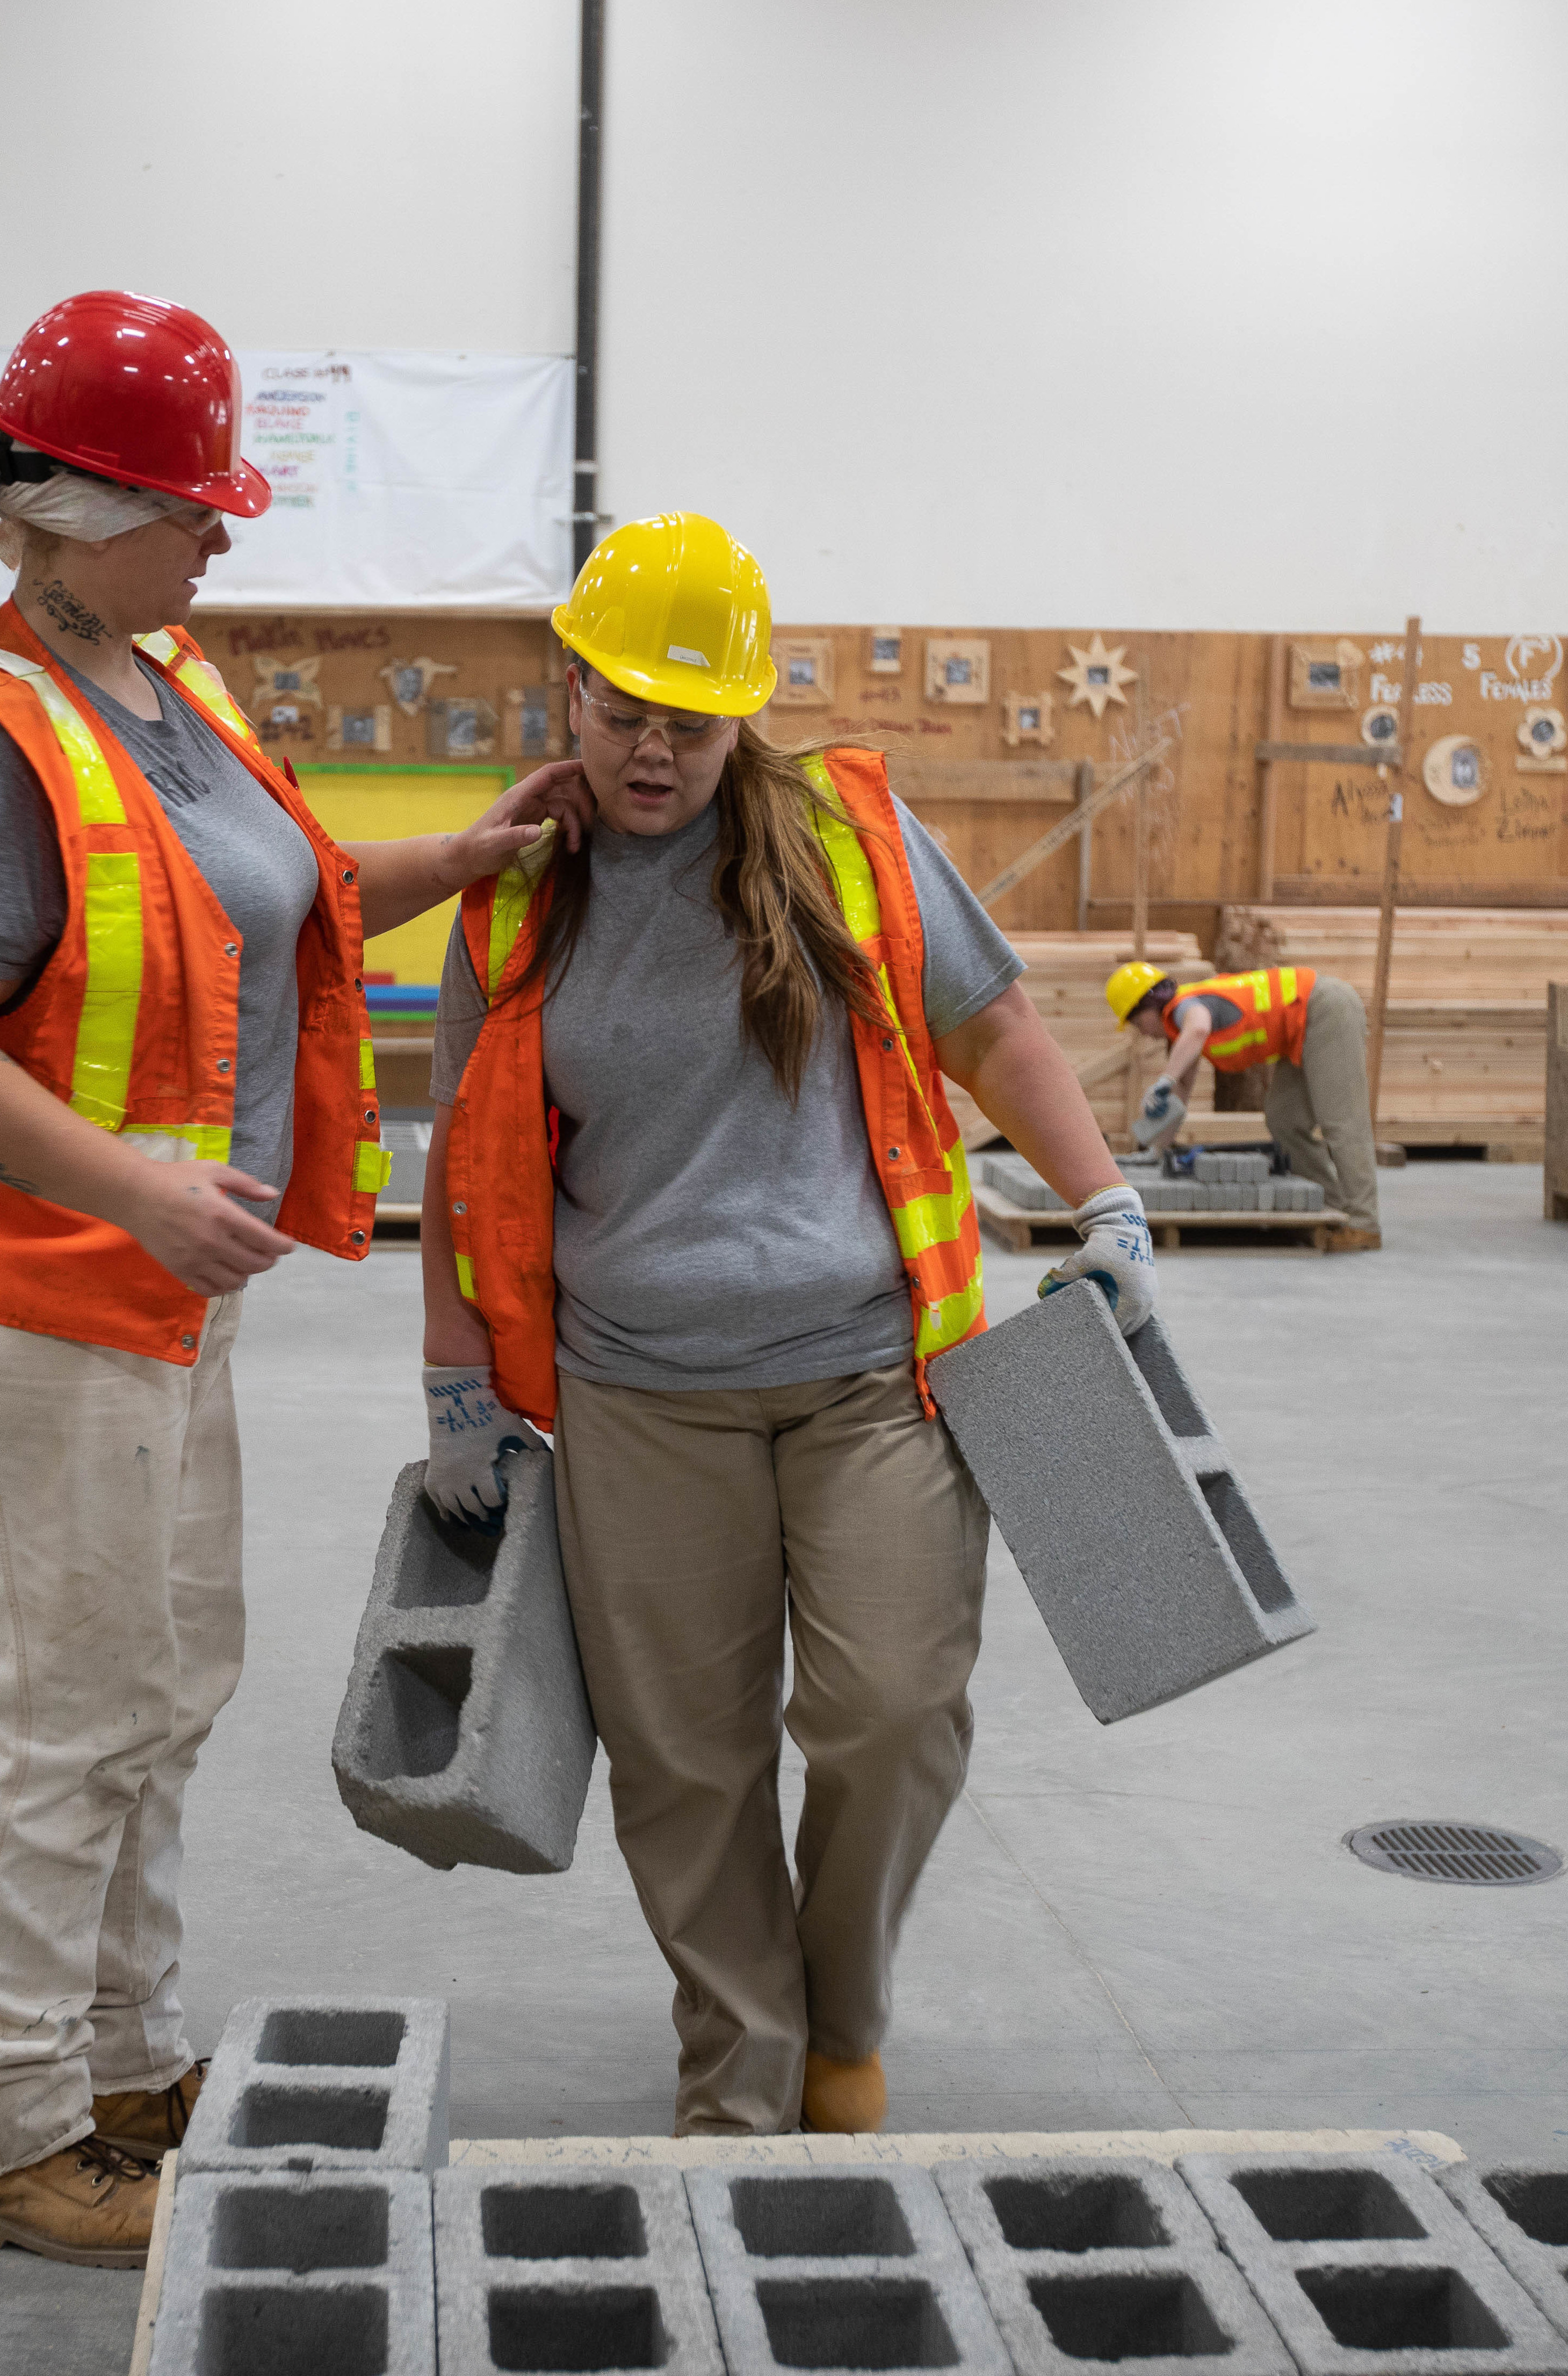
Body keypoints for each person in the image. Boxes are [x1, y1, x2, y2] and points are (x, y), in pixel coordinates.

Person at [0, 290, 575, 2266]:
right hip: (29, 1308)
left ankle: (120, 2062)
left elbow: (288, 905)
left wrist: (471, 855)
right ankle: (6, 2134)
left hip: (158, 1303)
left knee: (158, 1693)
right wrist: (143, 1196)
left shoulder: (166, 687)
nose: (223, 537)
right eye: (194, 508)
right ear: (73, 520)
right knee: (58, 1715)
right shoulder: (5, 742)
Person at [417, 514, 1156, 2139]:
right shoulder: (516, 901)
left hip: (870, 1375)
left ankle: (844, 2008)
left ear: (744, 709)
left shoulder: (847, 842)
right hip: (636, 1395)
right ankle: (738, 2071)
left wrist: (1103, 1200)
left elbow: (998, 1026)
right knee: (686, 1764)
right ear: (575, 693)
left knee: (893, 1711)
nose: (652, 751)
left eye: (689, 719)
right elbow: (469, 1157)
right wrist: (453, 1372)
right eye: (621, 714)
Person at [1108, 960, 1381, 1250]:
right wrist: (1157, 1150)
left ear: (1151, 1003)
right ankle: (1333, 1204)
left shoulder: (1185, 1005)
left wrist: (1164, 1079)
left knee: (1341, 1121)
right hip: (1299, 1029)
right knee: (1284, 1120)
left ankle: (1364, 1225)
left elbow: (1198, 1029)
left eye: (1138, 1023)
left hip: (1323, 1009)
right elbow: (1181, 1093)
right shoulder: (1180, 1030)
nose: (1143, 1033)